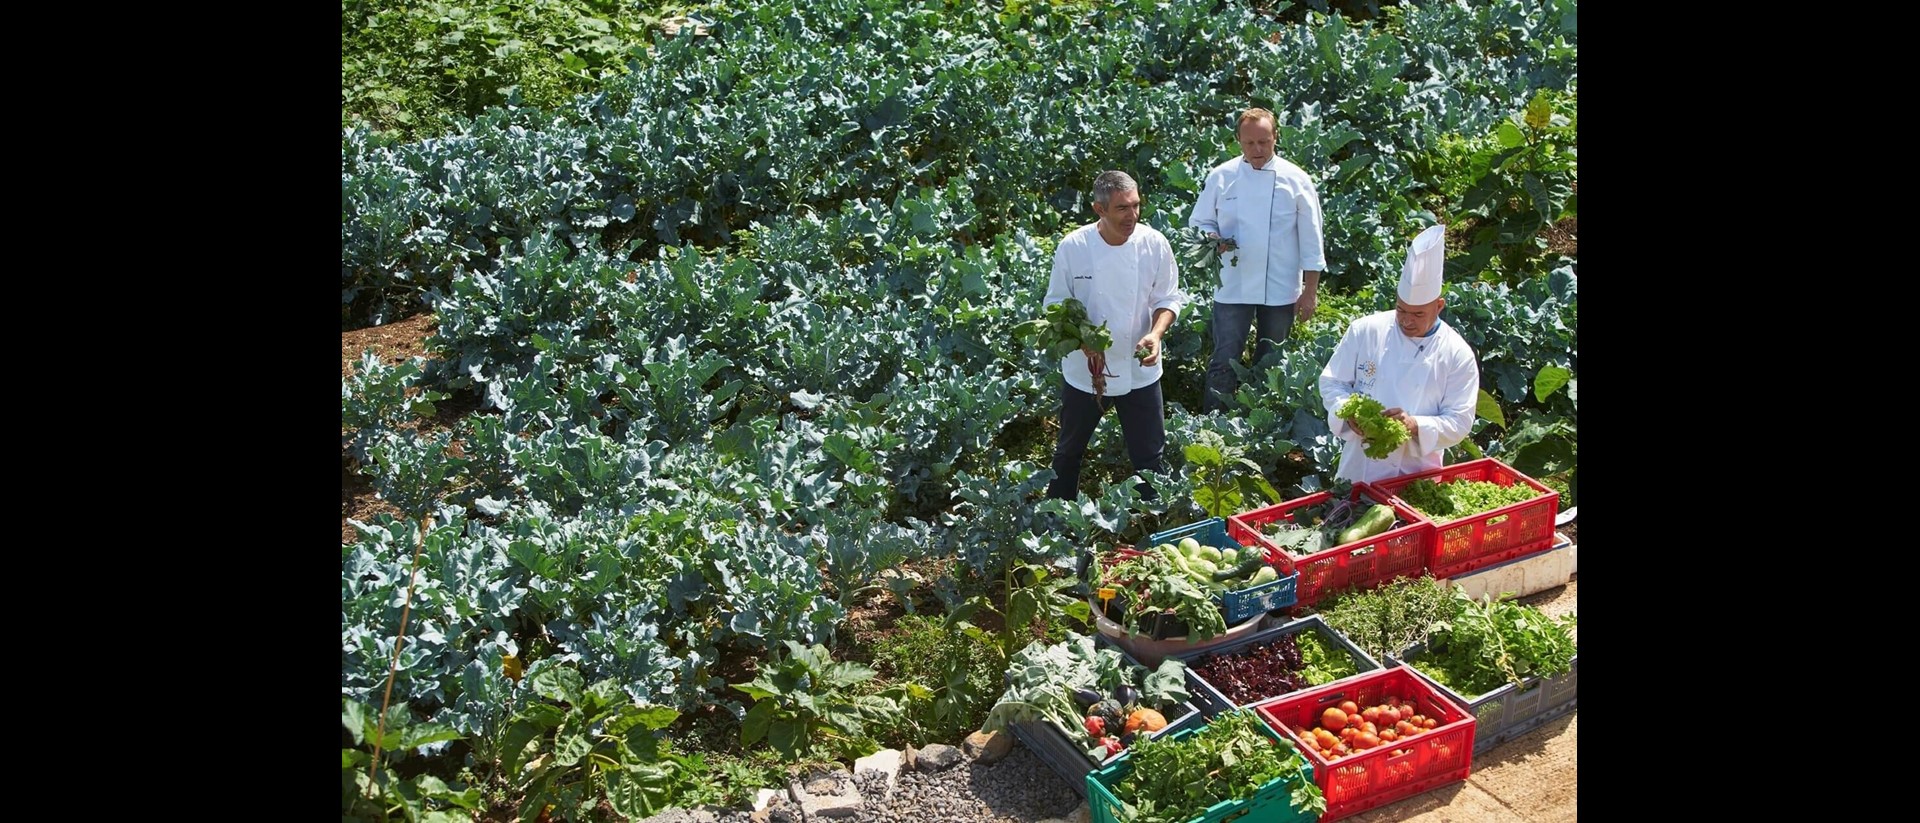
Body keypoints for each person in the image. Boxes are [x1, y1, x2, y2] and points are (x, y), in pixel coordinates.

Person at [1044, 170, 1188, 501]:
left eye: (1136, 206)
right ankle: (1057, 519)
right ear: (1100, 209)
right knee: (1069, 452)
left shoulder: (1154, 244)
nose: (1132, 216)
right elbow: (1056, 305)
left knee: (1150, 457)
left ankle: (1155, 522)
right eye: (1123, 208)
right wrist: (1083, 340)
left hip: (1141, 368)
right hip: (1087, 372)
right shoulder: (1074, 247)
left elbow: (1167, 299)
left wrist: (1156, 333)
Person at [1188, 107, 1327, 413]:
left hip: (1279, 284)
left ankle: (1262, 422)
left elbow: (1311, 239)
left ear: (1276, 137)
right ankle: (1213, 419)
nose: (1258, 149)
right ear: (1238, 140)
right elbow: (1199, 221)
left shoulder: (1297, 180)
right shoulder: (1221, 177)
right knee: (1225, 356)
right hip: (1233, 283)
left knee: (1271, 359)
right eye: (1250, 143)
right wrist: (1212, 240)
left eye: (1264, 142)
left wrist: (1310, 292)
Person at [1317, 224, 1479, 483]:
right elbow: (1332, 382)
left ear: (1439, 306)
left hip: (1419, 475)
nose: (1406, 321)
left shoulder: (1456, 353)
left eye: (1418, 314)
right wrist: (1347, 411)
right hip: (1360, 468)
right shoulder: (1366, 330)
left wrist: (1415, 425)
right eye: (1401, 310)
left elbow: (1459, 421)